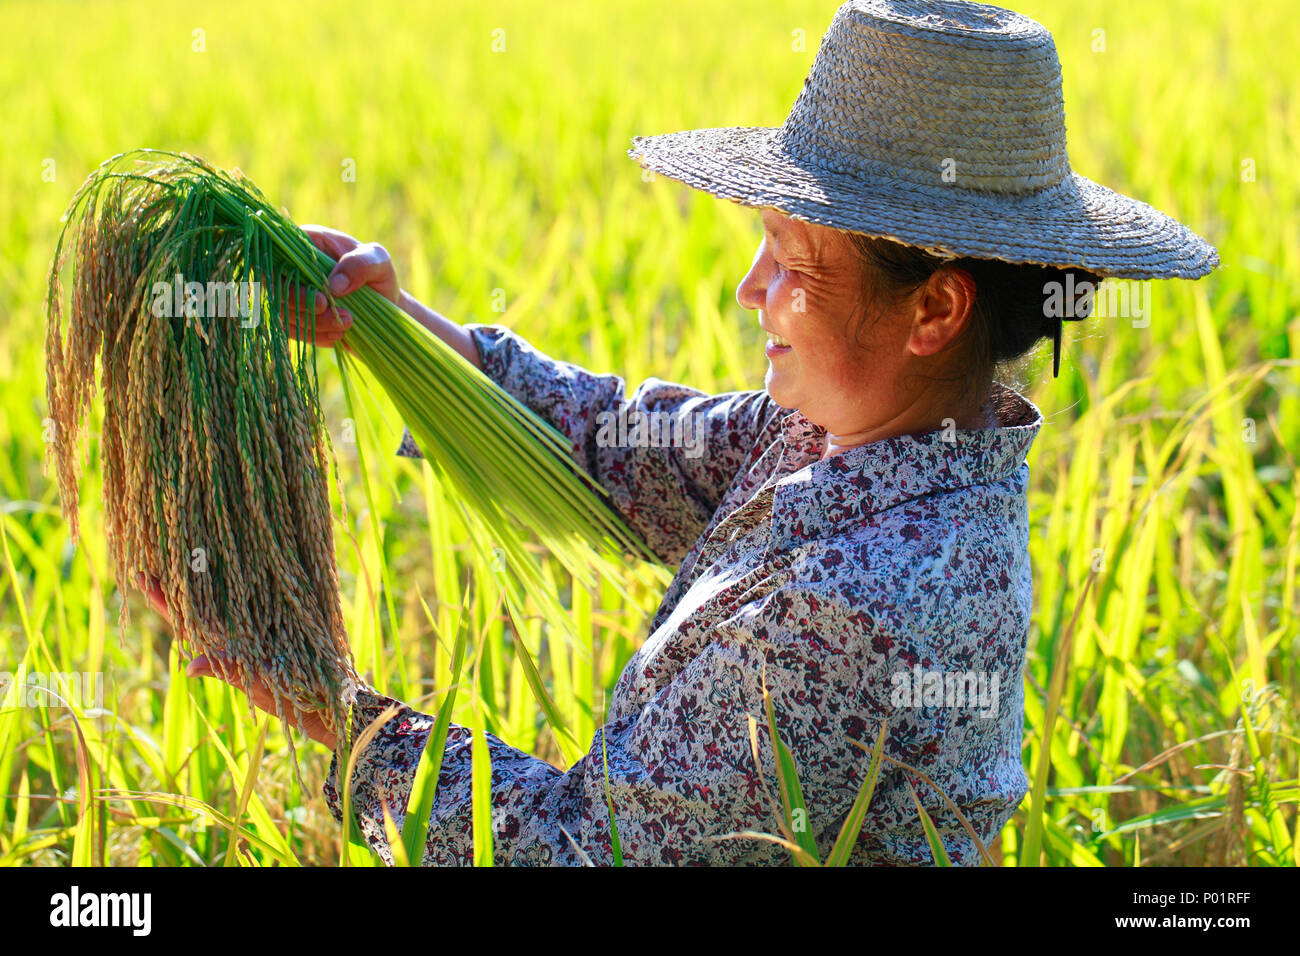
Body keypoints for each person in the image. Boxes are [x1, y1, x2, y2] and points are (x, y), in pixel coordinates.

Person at [151, 0, 1217, 864]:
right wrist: (392, 326)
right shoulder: (850, 442)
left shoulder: (859, 601)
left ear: (934, 310)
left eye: (790, 260)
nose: (749, 290)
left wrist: (335, 713)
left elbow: (583, 853)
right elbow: (617, 439)